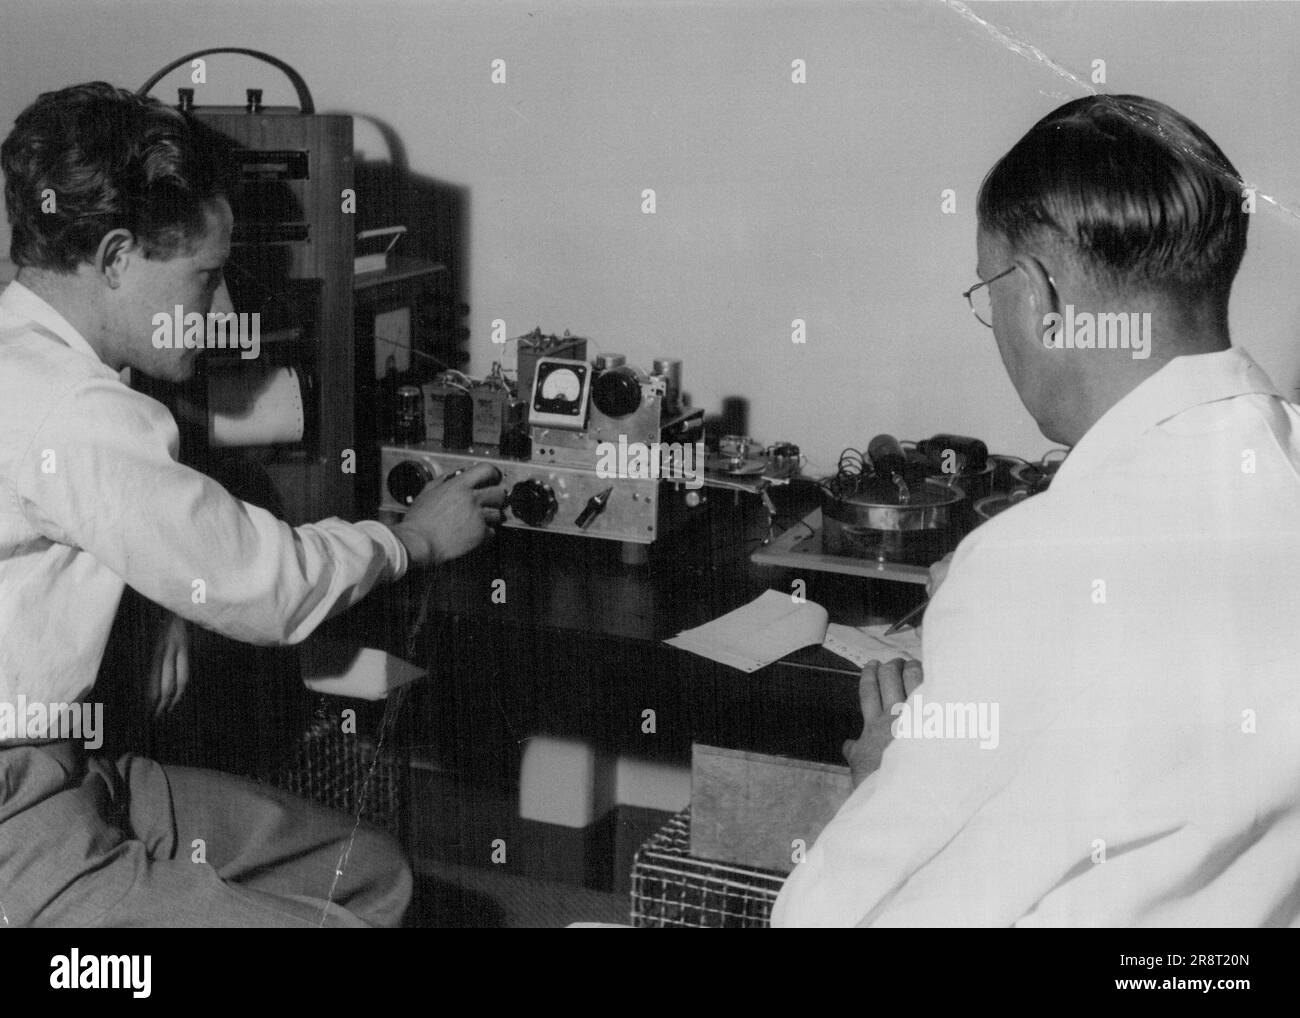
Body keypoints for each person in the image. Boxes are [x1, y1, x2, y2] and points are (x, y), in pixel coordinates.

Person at [774, 94, 1300, 927]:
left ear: (1040, 295)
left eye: (991, 289)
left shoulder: (1030, 562)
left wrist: (880, 777)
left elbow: (837, 920)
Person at [0, 82, 507, 927]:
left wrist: (164, 601)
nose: (225, 314)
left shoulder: (33, 362)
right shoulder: (75, 411)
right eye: (206, 279)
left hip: (76, 773)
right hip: (20, 825)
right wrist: (411, 539)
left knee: (370, 874)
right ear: (118, 257)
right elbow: (267, 589)